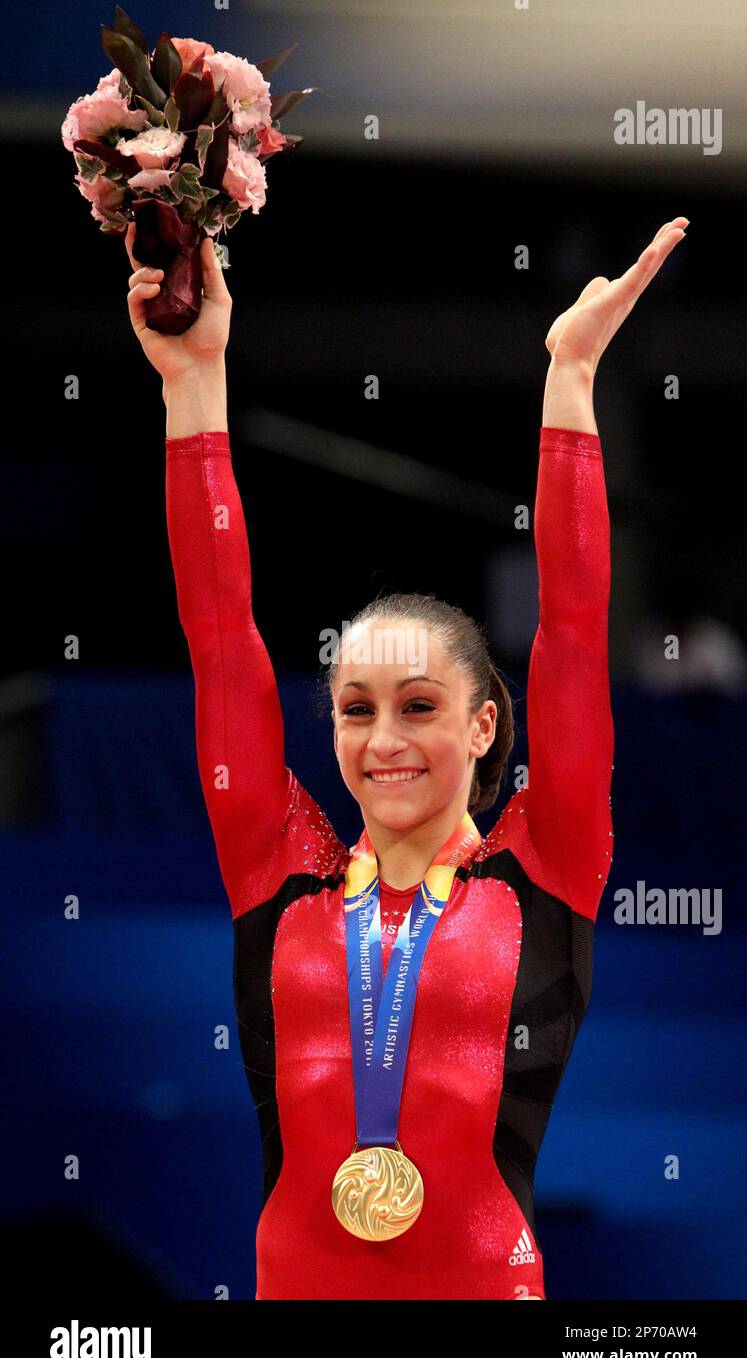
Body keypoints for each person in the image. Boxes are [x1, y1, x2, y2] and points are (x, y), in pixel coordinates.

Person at [124, 214, 687, 1299]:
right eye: (355, 707)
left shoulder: (547, 864)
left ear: (484, 727)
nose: (382, 741)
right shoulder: (276, 872)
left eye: (419, 705)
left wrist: (570, 381)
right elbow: (218, 634)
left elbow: (574, 628)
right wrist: (192, 385)